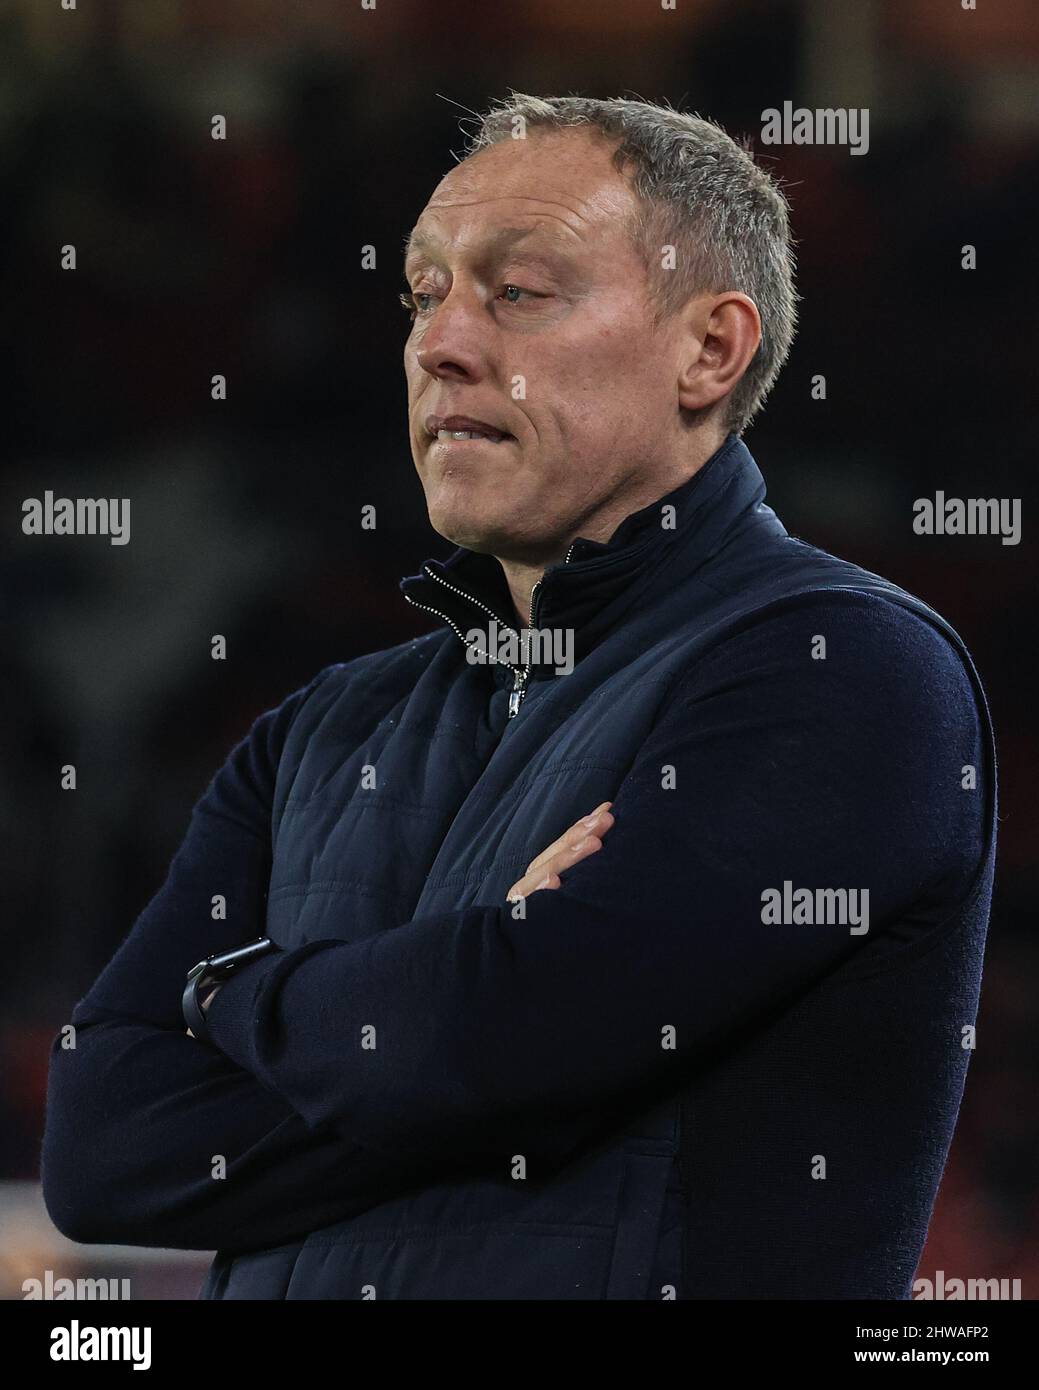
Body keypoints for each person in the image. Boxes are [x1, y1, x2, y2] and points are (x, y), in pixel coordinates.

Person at [41, 95, 996, 1300]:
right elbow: (99, 1149)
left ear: (710, 349)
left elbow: (519, 1034)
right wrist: (462, 999)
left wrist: (230, 990)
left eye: (519, 291)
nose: (441, 342)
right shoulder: (317, 729)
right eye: (423, 293)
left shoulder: (842, 667)